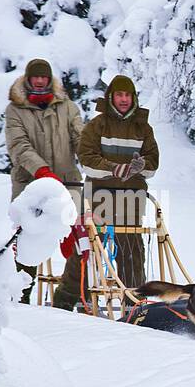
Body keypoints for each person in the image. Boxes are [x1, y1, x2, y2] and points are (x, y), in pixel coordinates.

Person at [3, 57, 83, 303]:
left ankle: (69, 296)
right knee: (29, 242)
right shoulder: (15, 110)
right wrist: (41, 170)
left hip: (68, 184)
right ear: (28, 79)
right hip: (31, 187)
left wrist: (95, 159)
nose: (40, 81)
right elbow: (18, 145)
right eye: (35, 77)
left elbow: (80, 138)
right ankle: (21, 297)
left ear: (50, 80)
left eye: (44, 77)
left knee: (80, 242)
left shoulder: (67, 107)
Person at [77, 74, 159, 297]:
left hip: (131, 197)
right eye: (119, 95)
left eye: (127, 95)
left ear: (133, 98)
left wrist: (141, 166)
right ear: (111, 97)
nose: (124, 99)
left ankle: (134, 300)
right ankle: (79, 296)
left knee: (131, 250)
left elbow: (153, 163)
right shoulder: (97, 125)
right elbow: (86, 159)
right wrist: (113, 168)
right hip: (98, 196)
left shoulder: (143, 128)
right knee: (92, 247)